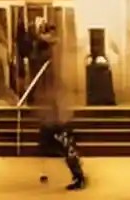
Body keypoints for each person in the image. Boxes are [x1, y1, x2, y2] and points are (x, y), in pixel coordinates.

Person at [37, 57, 86, 191]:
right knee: (63, 148)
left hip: (58, 123)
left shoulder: (56, 85)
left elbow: (59, 102)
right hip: (54, 122)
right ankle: (78, 176)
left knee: (68, 149)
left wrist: (60, 120)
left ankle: (79, 177)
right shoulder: (50, 84)